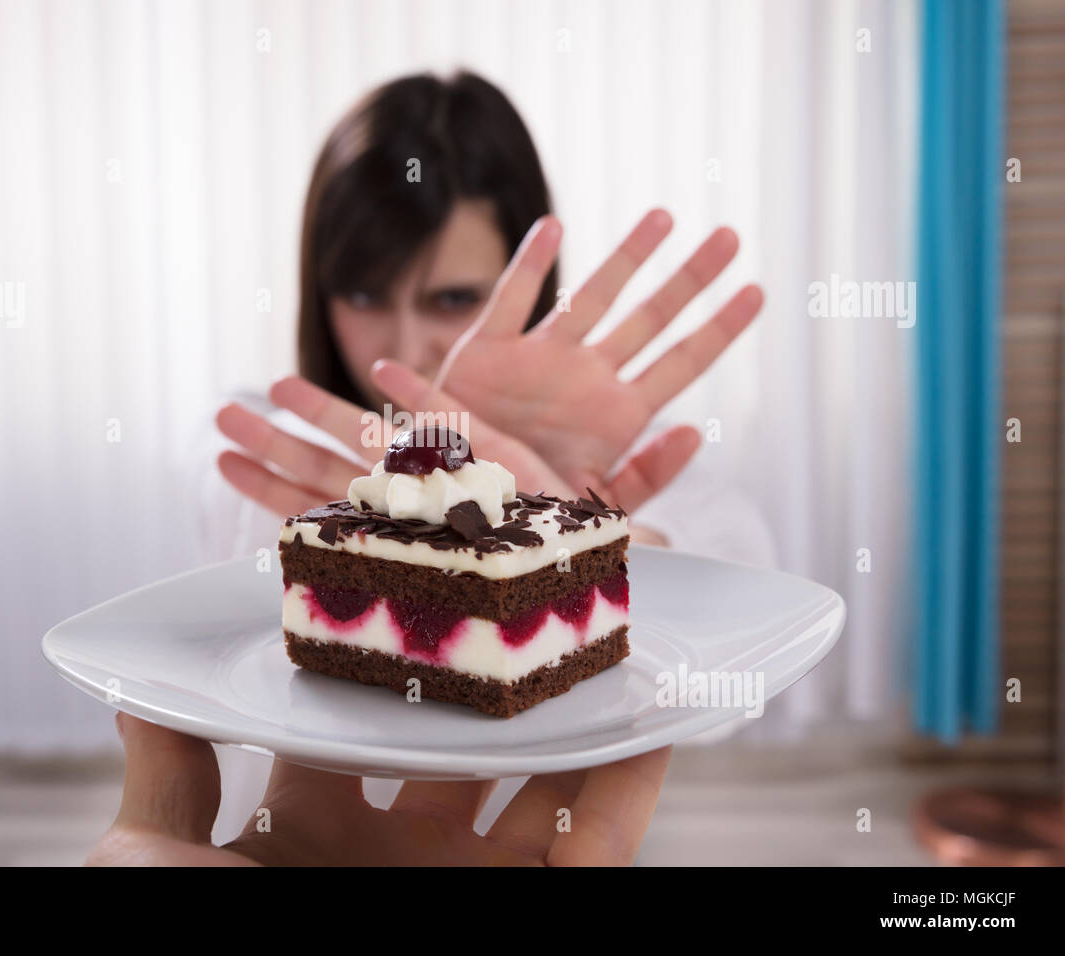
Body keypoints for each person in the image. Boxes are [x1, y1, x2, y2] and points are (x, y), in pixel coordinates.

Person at [91, 71, 774, 865]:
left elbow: (743, 619)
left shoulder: (607, 455)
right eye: (364, 294)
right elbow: (211, 474)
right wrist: (364, 509)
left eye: (452, 299)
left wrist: (558, 529)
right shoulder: (275, 448)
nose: (403, 346)